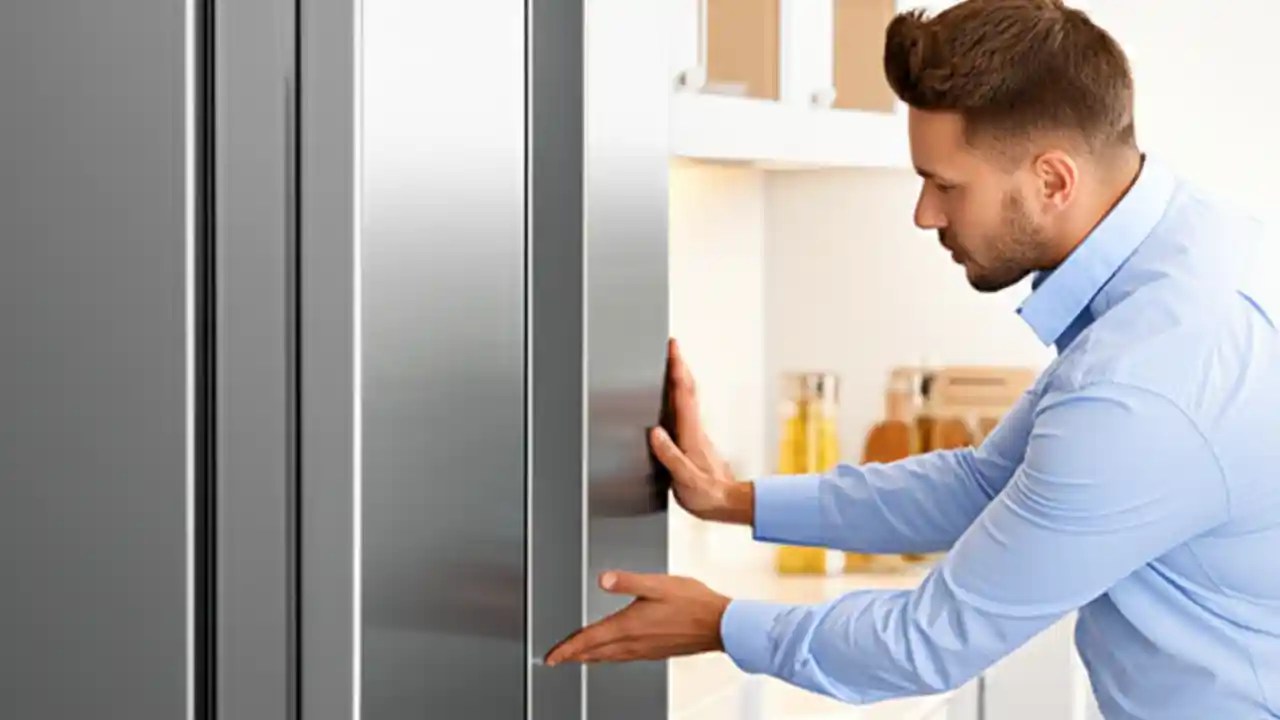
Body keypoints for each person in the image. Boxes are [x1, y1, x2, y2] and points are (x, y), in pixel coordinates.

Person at [545, 0, 1280, 717]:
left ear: (1053, 180)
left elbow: (929, 643)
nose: (925, 214)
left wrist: (718, 622)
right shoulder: (1203, 251)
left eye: (945, 185)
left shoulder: (1145, 382)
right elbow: (983, 485)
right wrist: (733, 499)